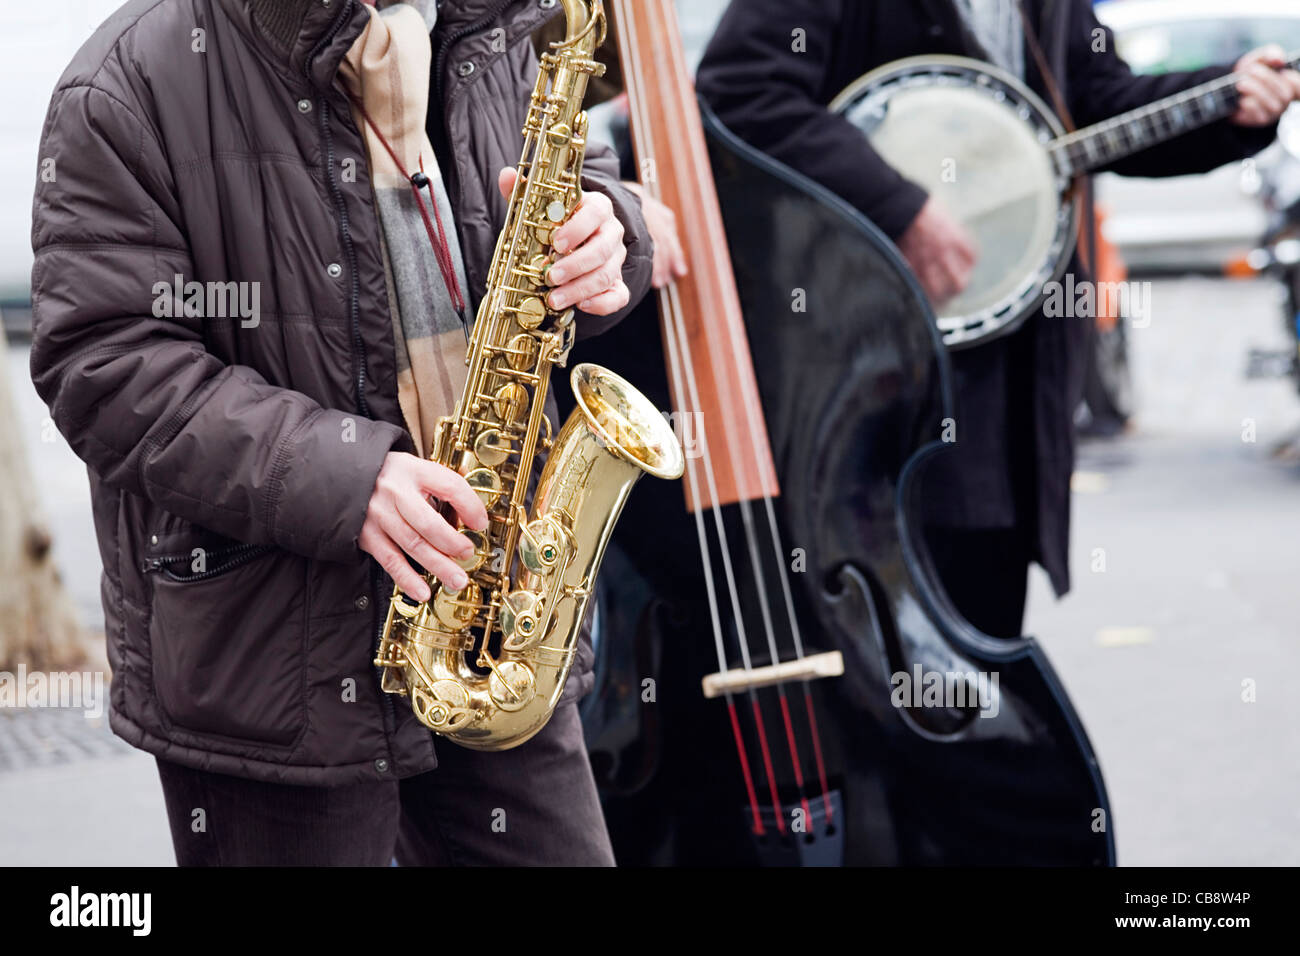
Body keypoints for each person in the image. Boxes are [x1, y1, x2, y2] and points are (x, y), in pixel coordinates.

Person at [29, 0, 653, 866]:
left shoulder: (494, 26)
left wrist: (612, 232)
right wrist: (348, 479)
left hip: (497, 624)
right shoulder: (124, 83)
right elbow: (103, 364)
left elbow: (591, 183)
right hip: (275, 670)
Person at [697, 0, 1300, 637]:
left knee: (982, 629)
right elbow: (740, 92)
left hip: (1011, 388)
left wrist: (1223, 99)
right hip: (864, 379)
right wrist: (900, 206)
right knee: (876, 650)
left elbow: (1096, 97)